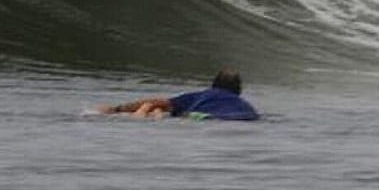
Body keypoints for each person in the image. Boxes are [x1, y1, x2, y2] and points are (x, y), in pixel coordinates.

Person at [97, 69, 260, 121]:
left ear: (213, 85)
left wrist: (116, 109)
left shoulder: (202, 96)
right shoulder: (246, 106)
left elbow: (157, 102)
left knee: (163, 113)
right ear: (239, 90)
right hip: (246, 118)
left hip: (203, 117)